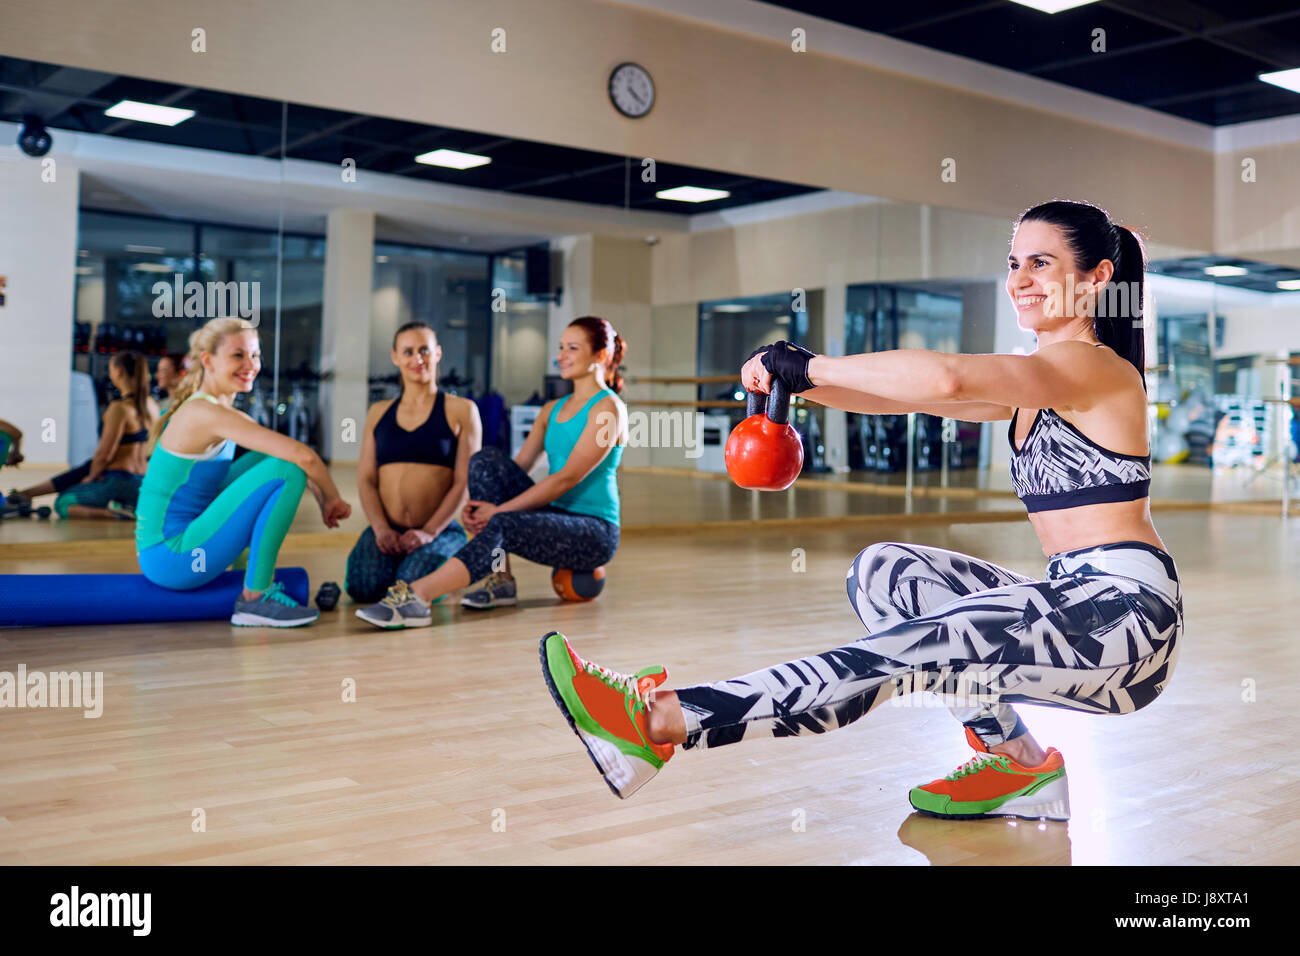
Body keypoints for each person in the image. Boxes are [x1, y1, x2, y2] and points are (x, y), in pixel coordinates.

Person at [541, 199, 1184, 821]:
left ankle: (658, 722)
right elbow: (911, 399)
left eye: (1040, 264)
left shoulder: (1094, 369)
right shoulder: (1033, 381)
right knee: (886, 574)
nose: (1020, 280)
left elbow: (948, 378)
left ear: (1098, 278)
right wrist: (801, 382)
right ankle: (1018, 764)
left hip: (1128, 621)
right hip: (1071, 597)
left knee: (919, 649)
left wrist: (811, 362)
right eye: (1014, 263)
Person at [356, 316, 627, 628]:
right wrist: (478, 506)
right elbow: (516, 469)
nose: (561, 355)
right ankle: (501, 582)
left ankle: (417, 597)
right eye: (561, 347)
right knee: (485, 461)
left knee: (504, 522)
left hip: (595, 532)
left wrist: (497, 512)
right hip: (554, 516)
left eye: (573, 348)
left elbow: (565, 479)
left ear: (600, 355)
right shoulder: (552, 409)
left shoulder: (609, 409)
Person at [135, 317, 350, 627]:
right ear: (208, 360)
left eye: (255, 355)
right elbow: (306, 456)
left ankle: (252, 584)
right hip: (173, 557)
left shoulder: (215, 410)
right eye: (238, 355)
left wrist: (319, 496)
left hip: (172, 553)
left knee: (275, 459)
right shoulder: (205, 413)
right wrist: (333, 499)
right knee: (287, 469)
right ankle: (256, 597)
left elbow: (289, 454)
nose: (250, 364)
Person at [345, 322, 481, 605]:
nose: (417, 359)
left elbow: (464, 482)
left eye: (424, 351)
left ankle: (445, 566)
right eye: (408, 352)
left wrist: (429, 531)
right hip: (387, 530)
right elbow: (366, 479)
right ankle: (410, 568)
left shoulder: (462, 410)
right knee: (363, 588)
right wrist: (381, 529)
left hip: (439, 530)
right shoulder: (378, 412)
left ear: (438, 353)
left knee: (408, 588)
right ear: (395, 357)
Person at [6, 351, 159, 519]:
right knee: (85, 468)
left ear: (119, 371)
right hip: (142, 483)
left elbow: (104, 454)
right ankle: (26, 494)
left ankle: (113, 511)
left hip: (118, 482)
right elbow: (151, 451)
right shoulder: (152, 407)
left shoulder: (119, 408)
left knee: (64, 501)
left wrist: (92, 477)